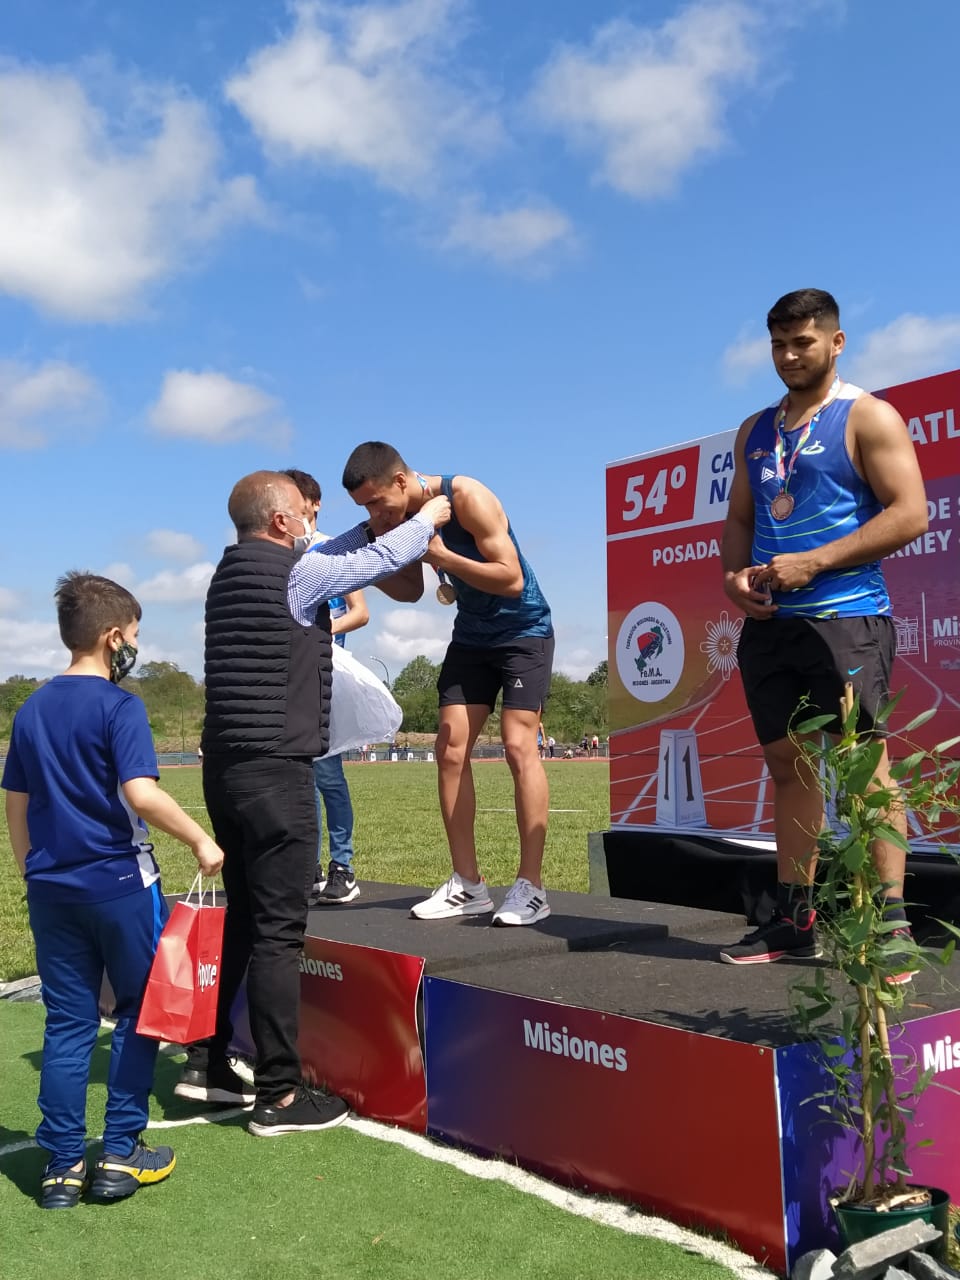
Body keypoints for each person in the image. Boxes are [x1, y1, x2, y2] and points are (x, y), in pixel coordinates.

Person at [176, 470, 449, 1134]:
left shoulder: (229, 574)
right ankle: (280, 1094)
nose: (311, 523)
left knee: (244, 922)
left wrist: (367, 524)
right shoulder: (293, 577)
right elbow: (379, 561)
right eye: (303, 514)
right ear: (279, 523)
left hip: (228, 772)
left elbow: (340, 548)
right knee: (277, 933)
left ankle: (208, 1065)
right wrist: (428, 516)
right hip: (276, 773)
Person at [718, 288, 928, 968]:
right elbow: (741, 521)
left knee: (863, 769)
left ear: (835, 343)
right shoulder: (756, 429)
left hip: (847, 618)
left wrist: (816, 561)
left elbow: (910, 514)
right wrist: (733, 578)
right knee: (788, 767)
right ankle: (794, 920)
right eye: (778, 344)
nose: (788, 356)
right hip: (774, 624)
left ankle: (889, 924)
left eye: (802, 342)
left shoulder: (868, 416)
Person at [1, 573, 224, 1209]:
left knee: (68, 1024)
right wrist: (201, 839)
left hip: (51, 890)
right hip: (122, 885)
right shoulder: (121, 708)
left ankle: (63, 1166)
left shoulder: (32, 707)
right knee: (134, 1012)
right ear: (111, 636)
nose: (133, 646)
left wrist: (28, 870)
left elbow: (15, 804)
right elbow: (141, 793)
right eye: (133, 636)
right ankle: (121, 1153)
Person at [342, 442, 554, 926]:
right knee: (450, 748)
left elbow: (512, 578)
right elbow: (412, 590)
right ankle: (468, 885)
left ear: (401, 480)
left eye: (377, 502)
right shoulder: (405, 520)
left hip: (524, 632)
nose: (375, 513)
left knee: (519, 746)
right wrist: (376, 558)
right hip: (472, 637)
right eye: (365, 509)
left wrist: (436, 551)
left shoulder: (467, 497)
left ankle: (532, 887)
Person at [283, 469, 368, 906]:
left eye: (298, 501)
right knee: (299, 778)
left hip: (326, 672)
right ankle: (308, 866)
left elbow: (360, 611)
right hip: (289, 676)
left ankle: (343, 867)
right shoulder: (280, 553)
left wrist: (319, 631)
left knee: (328, 776)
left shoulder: (331, 549)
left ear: (315, 504)